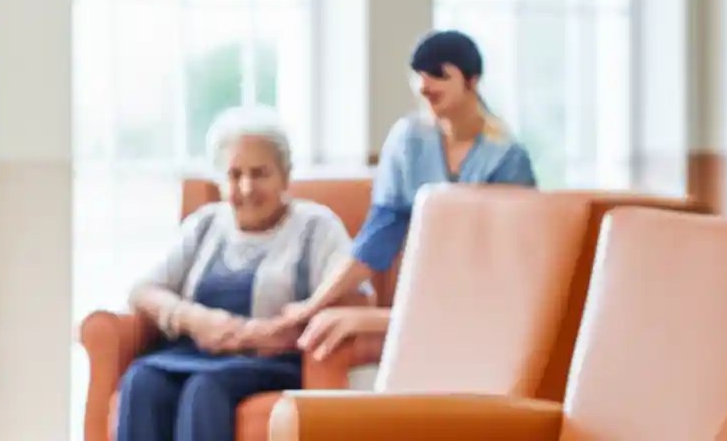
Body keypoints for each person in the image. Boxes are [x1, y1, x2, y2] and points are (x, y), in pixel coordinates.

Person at [285, 29, 538, 352]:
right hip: (425, 289)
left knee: (354, 322)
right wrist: (313, 303)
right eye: (418, 75)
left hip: (483, 296)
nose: (424, 86)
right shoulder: (408, 140)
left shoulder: (507, 156)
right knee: (333, 322)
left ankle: (391, 321)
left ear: (472, 81)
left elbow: (507, 258)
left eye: (438, 75)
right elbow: (379, 236)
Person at [117, 106, 359, 441]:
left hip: (274, 359)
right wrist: (195, 320)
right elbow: (143, 290)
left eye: (260, 173)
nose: (246, 187)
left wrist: (267, 332)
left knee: (205, 389)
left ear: (286, 176)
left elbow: (353, 295)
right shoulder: (205, 224)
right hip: (196, 351)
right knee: (142, 380)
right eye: (234, 174)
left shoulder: (317, 226)